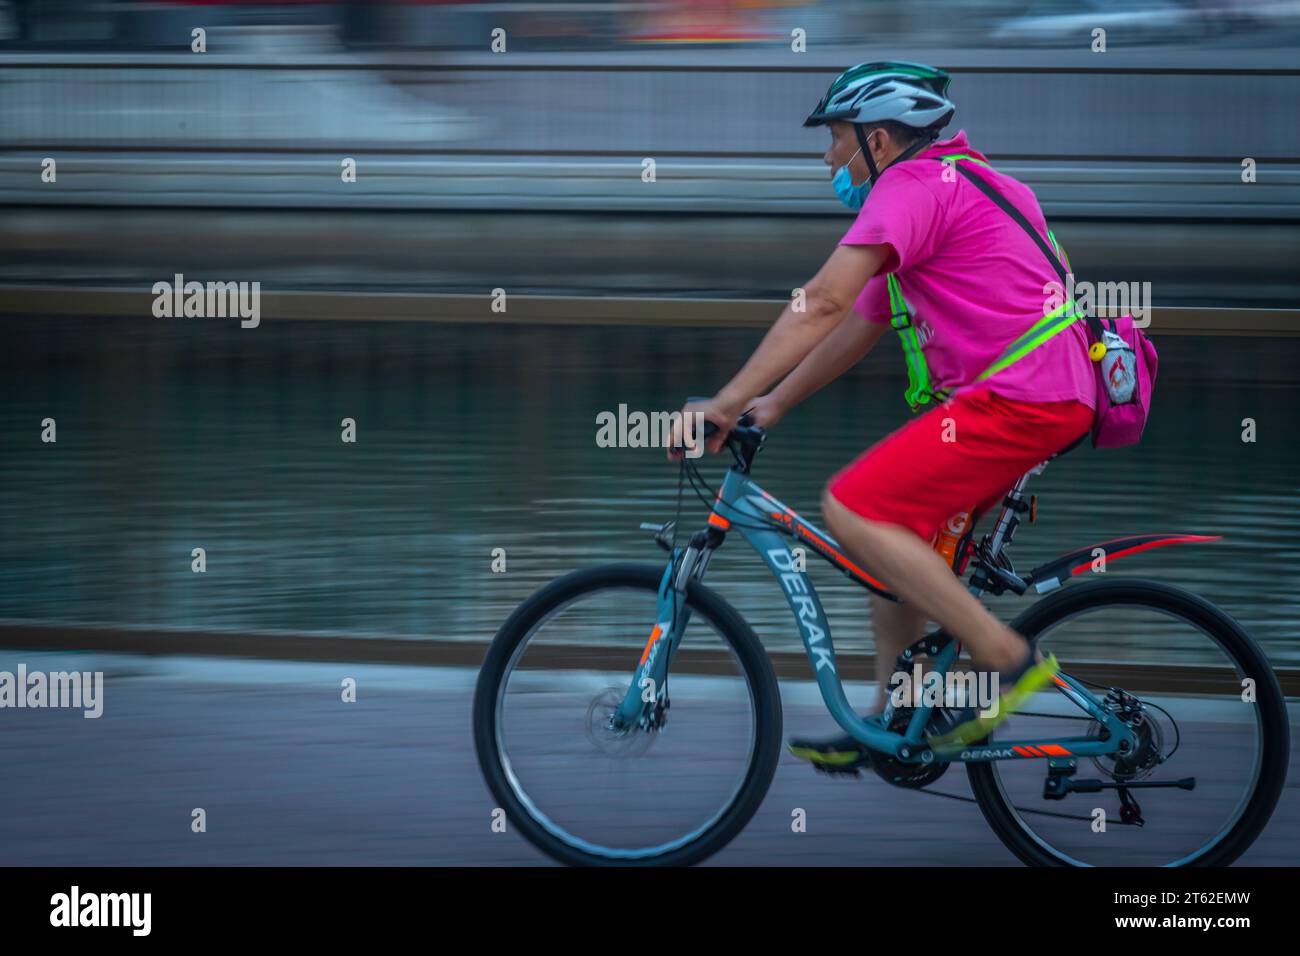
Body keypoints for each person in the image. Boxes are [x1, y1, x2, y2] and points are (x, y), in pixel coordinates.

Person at [670, 62, 1097, 768]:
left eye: (837, 139)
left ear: (879, 139)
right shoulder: (971, 181)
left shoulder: (910, 186)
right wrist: (767, 404)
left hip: (1018, 400)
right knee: (902, 546)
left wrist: (722, 401)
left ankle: (1006, 657)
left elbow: (824, 301)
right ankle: (894, 722)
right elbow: (858, 324)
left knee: (853, 507)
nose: (830, 158)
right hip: (1048, 396)